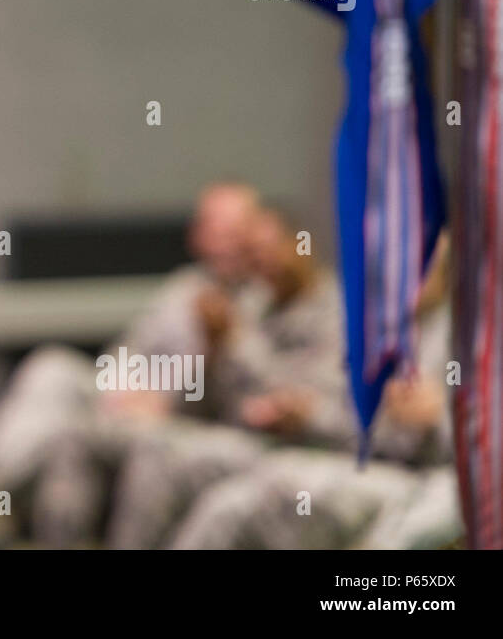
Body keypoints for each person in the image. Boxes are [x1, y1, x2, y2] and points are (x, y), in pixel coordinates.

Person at [0, 181, 265, 544]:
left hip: (196, 423)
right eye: (215, 229)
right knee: (53, 368)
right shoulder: (183, 290)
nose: (225, 240)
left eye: (236, 229)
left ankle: (6, 502)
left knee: (87, 434)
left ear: (257, 231)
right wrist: (126, 386)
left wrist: (186, 382)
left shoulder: (267, 296)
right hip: (138, 403)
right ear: (198, 236)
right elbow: (129, 350)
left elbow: (248, 392)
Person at [168, 232, 461, 549]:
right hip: (350, 461)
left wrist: (436, 418)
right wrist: (308, 415)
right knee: (229, 501)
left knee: (265, 500)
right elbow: (353, 425)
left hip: (421, 481)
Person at [88, 203, 350, 549]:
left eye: (273, 251)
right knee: (102, 438)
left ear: (300, 245)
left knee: (175, 468)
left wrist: (237, 344)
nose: (267, 265)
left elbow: (315, 396)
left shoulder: (334, 310)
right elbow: (214, 399)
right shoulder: (254, 305)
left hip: (309, 447)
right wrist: (211, 355)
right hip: (243, 434)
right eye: (255, 259)